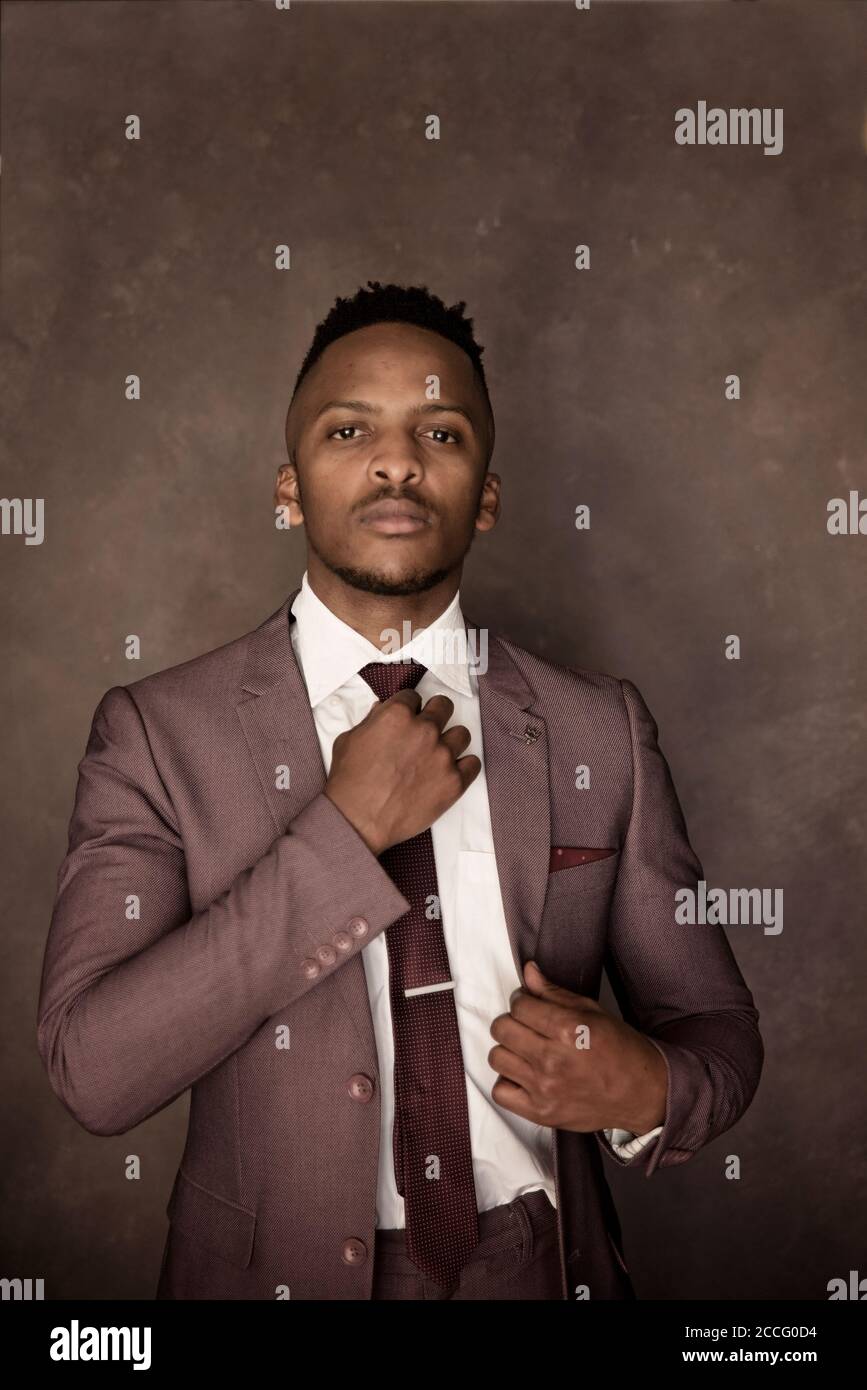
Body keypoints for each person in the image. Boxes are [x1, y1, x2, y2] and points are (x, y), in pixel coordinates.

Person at [37, 280, 763, 1300]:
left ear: (488, 496)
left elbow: (716, 1026)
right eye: (349, 429)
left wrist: (650, 1087)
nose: (397, 459)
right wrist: (343, 834)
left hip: (536, 1268)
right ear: (289, 487)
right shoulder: (157, 736)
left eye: (442, 432)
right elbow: (95, 1069)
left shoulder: (601, 728)